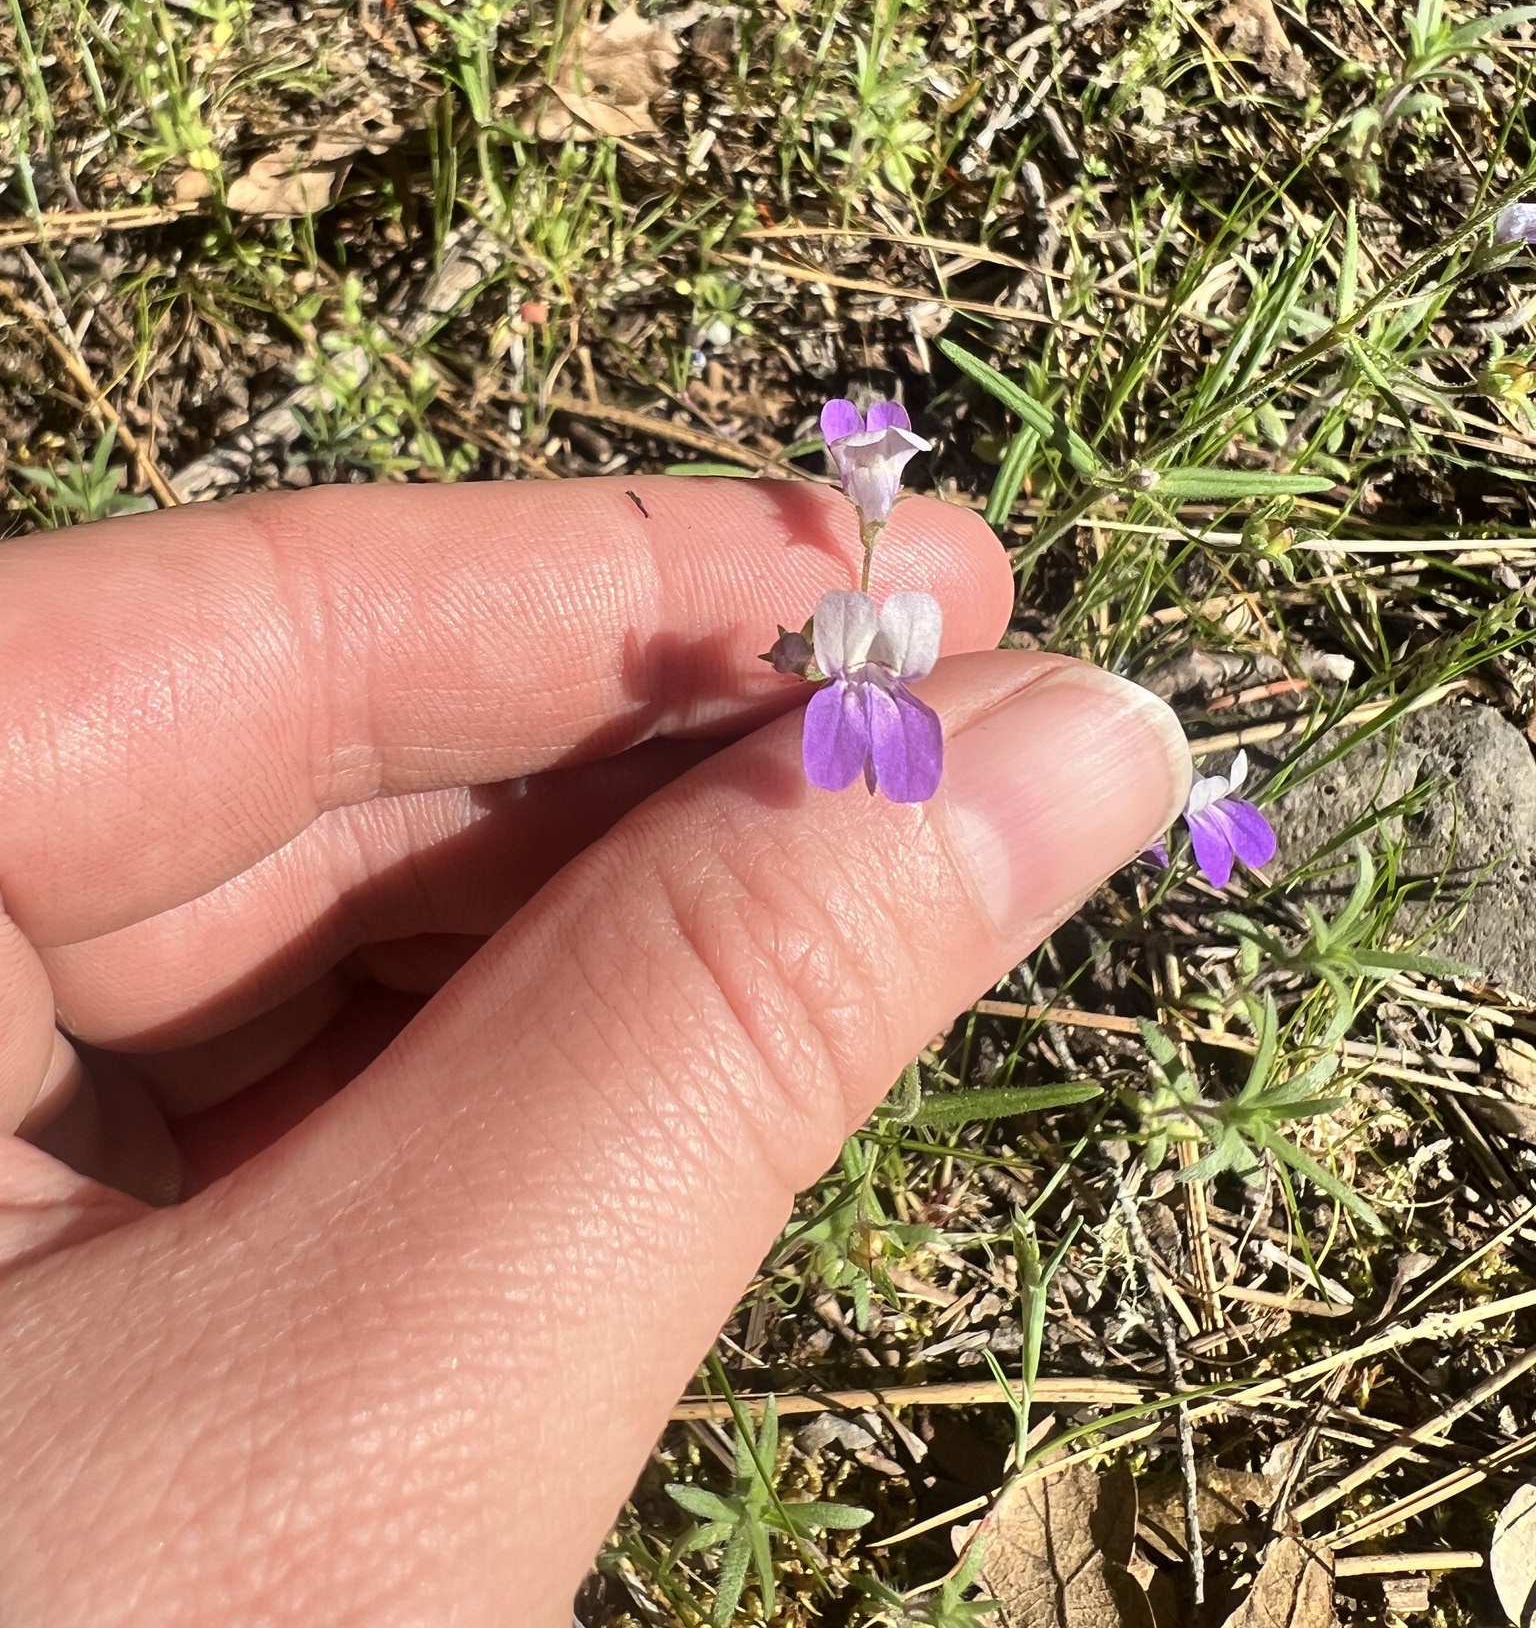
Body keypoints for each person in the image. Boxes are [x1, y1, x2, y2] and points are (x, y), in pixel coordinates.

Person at [0, 477, 1188, 1624]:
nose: (873, 677)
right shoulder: (852, 682)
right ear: (839, 651)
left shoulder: (872, 684)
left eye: (879, 663)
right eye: (860, 661)